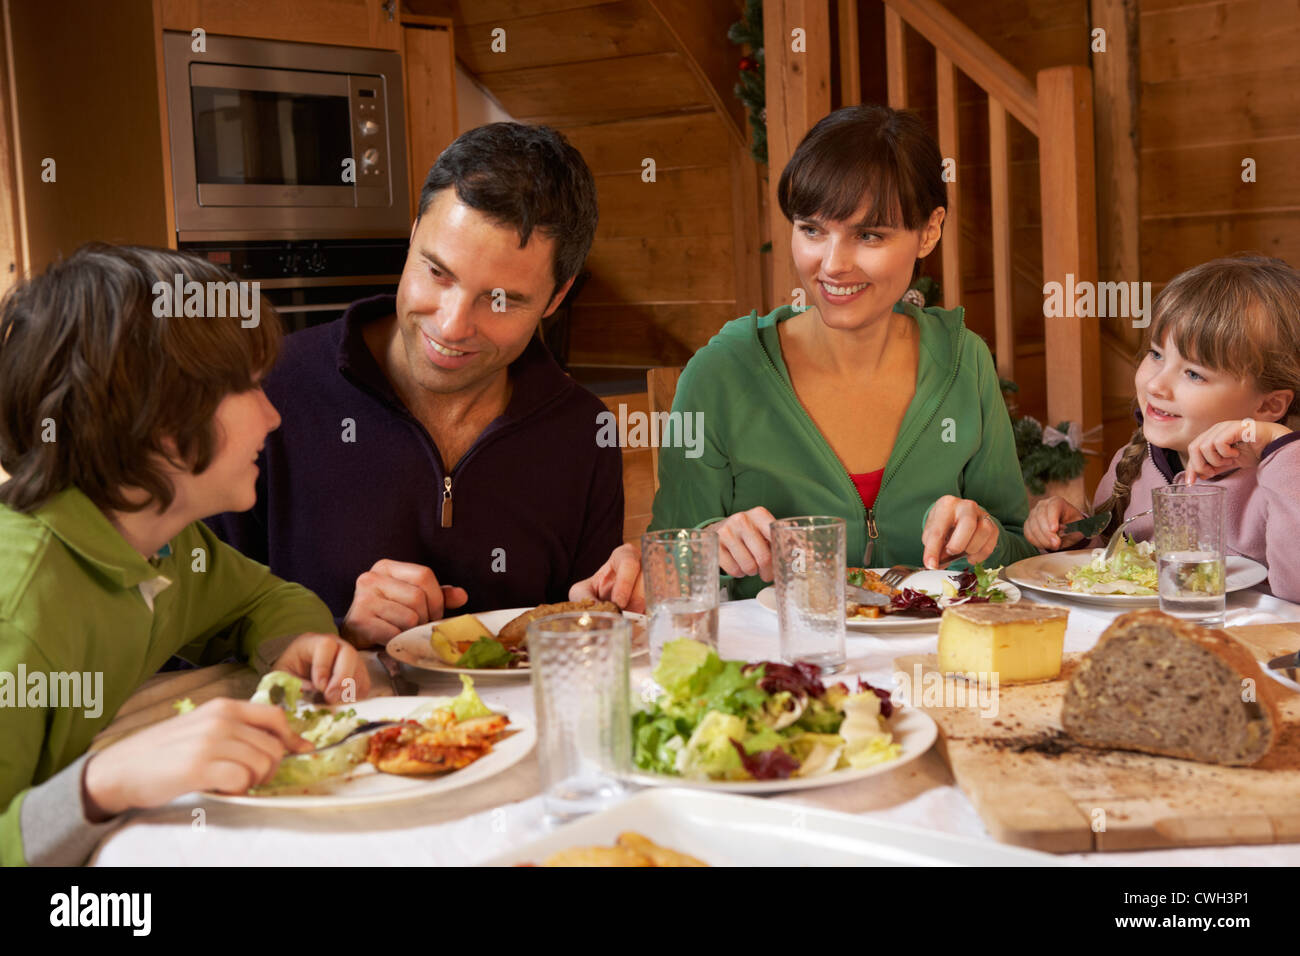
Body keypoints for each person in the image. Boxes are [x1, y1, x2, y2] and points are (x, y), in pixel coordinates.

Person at [574, 105, 1038, 610]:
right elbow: (662, 579)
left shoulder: (965, 360)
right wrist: (714, 544)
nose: (833, 265)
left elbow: (1017, 555)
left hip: (936, 670)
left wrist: (987, 536)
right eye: (813, 230)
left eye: (869, 235)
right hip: (780, 673)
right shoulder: (721, 373)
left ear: (929, 231)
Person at [0, 244, 371, 866]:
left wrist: (294, 646)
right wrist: (101, 782)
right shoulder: (19, 614)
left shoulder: (167, 543)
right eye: (251, 389)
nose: (274, 416)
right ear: (159, 422)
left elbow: (265, 596)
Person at [209, 122, 623, 648]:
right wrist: (340, 634)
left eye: (501, 301)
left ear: (556, 298)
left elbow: (583, 644)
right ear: (412, 236)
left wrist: (615, 602)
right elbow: (190, 651)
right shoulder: (267, 391)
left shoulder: (585, 432)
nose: (451, 326)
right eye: (437, 272)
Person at [1025, 255, 1300, 602]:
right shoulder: (1134, 461)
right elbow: (1112, 571)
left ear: (1268, 406)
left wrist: (1282, 449)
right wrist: (1075, 537)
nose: (1156, 385)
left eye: (1194, 374)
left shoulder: (1285, 478)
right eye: (1156, 354)